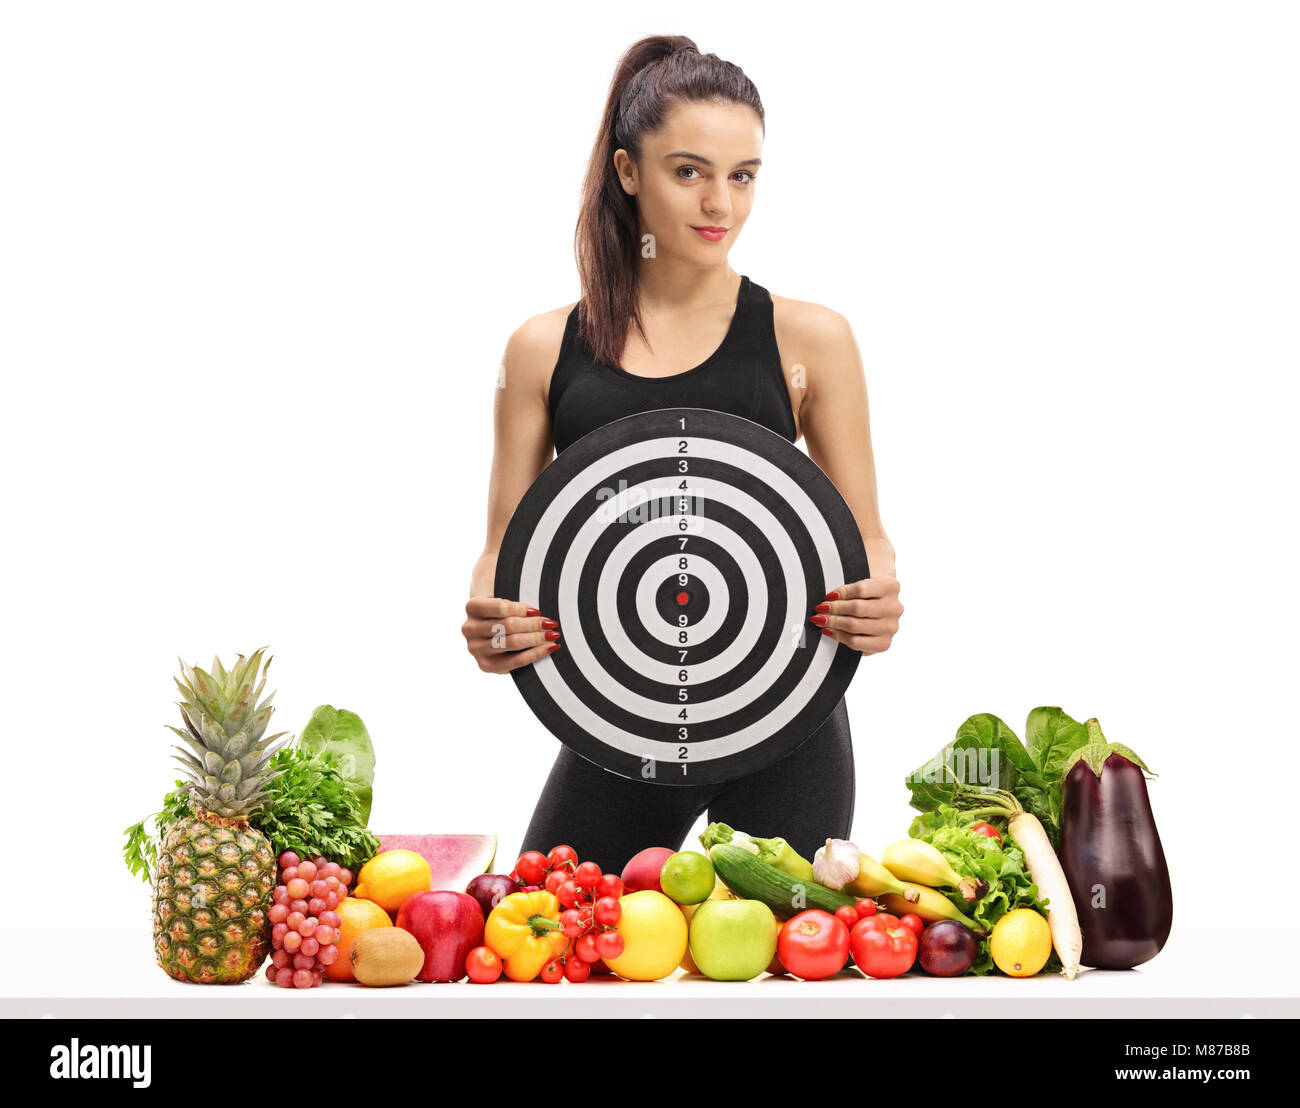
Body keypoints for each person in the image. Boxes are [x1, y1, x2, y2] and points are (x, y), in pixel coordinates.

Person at [463, 35, 902, 871]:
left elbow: (867, 537)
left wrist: (876, 594)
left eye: (743, 176)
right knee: (544, 946)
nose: (720, 206)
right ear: (629, 172)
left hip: (785, 714)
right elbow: (501, 555)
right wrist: (493, 624)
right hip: (611, 717)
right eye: (689, 171)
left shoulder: (811, 338)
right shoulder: (541, 348)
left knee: (779, 981)